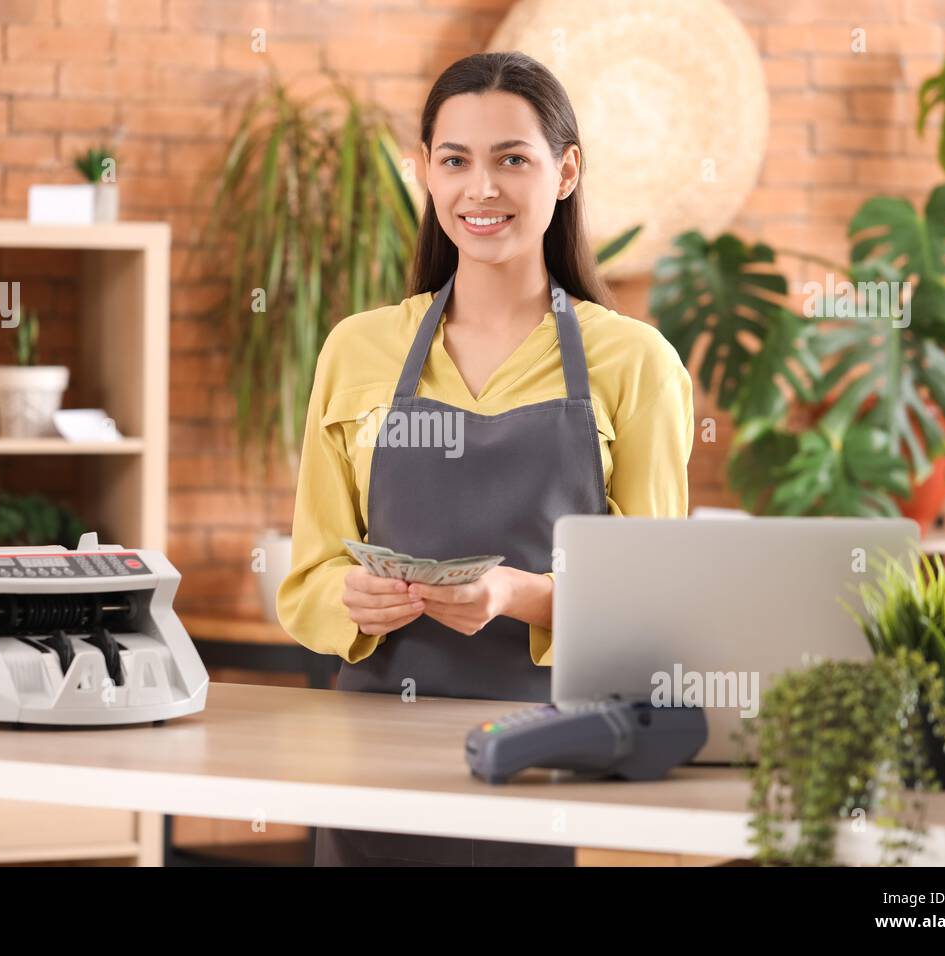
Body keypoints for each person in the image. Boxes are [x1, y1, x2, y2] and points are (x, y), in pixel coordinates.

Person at [276, 50, 694, 866]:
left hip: (552, 755)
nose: (482, 189)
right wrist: (352, 597)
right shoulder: (357, 349)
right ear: (426, 174)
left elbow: (656, 609)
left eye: (513, 159)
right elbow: (306, 581)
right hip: (372, 756)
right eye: (455, 161)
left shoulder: (635, 363)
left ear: (565, 172)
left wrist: (516, 594)